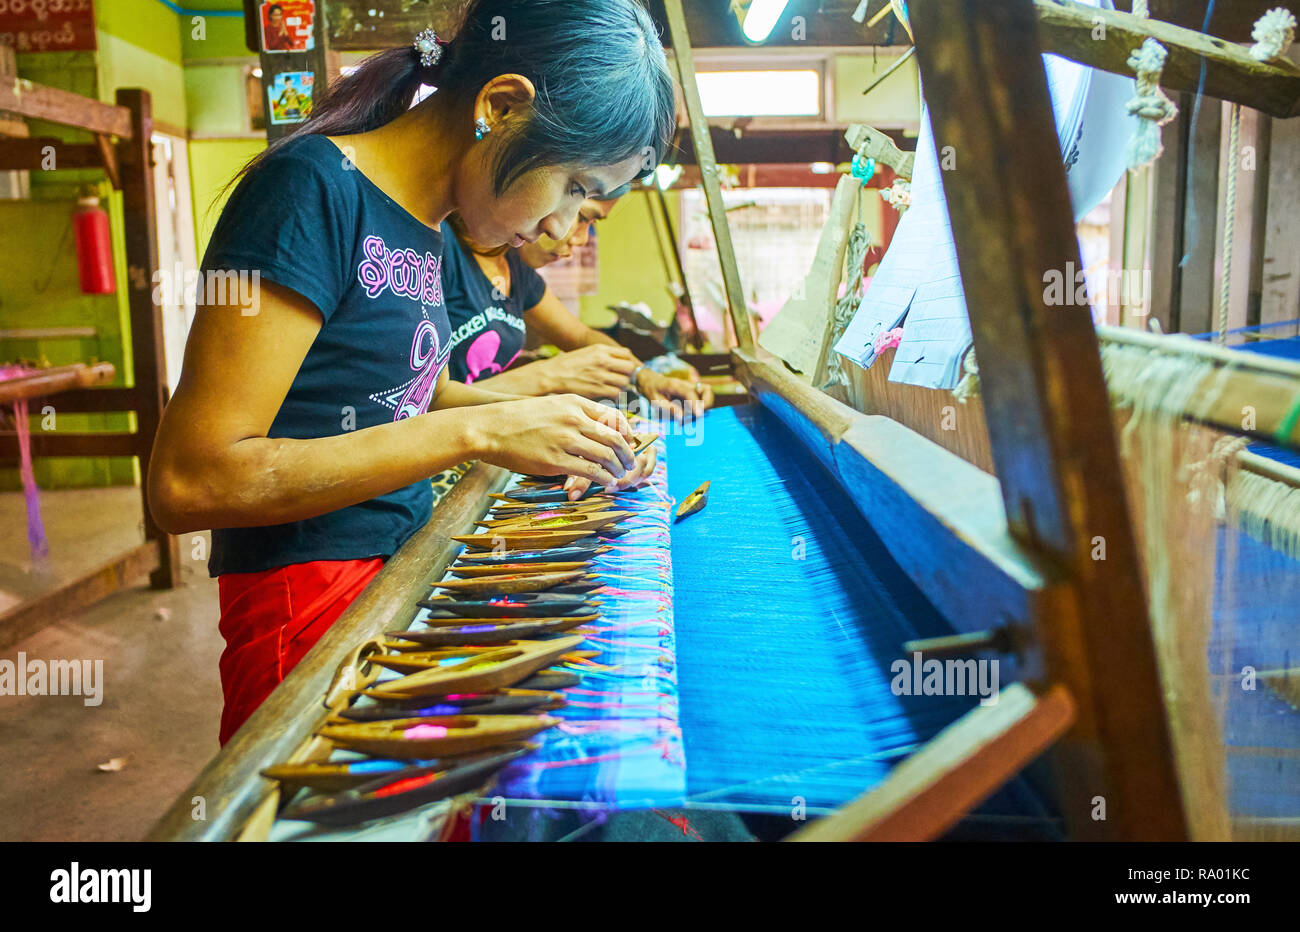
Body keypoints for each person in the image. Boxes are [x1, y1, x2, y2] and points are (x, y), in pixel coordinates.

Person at [147, 0, 676, 744]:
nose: (563, 226)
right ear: (501, 106)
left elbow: (382, 409)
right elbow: (190, 481)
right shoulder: (312, 193)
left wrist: (551, 437)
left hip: (394, 578)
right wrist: (485, 426)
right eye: (576, 185)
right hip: (305, 612)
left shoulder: (428, 227)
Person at [441, 192, 715, 415]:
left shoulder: (516, 270)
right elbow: (428, 405)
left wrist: (646, 377)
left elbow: (581, 336)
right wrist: (549, 377)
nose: (582, 240)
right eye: (583, 217)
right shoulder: (443, 252)